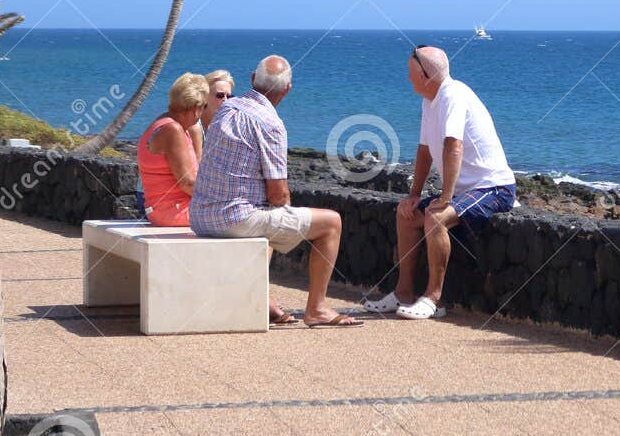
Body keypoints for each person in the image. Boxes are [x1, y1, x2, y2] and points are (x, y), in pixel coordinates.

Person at [191, 55, 359, 328]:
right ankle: (317, 309)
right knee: (331, 222)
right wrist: (285, 208)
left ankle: (260, 297)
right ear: (287, 90)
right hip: (233, 220)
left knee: (269, 221)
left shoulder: (226, 109)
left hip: (200, 216)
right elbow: (278, 195)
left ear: (252, 79)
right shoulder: (270, 123)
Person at [365, 46, 516, 321]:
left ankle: (434, 299)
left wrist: (445, 197)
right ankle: (403, 293)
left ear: (426, 75)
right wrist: (414, 195)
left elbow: (453, 146)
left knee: (436, 217)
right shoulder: (429, 99)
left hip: (493, 187)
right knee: (406, 213)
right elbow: (424, 150)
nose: (407, 77)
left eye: (411, 72)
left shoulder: (453, 95)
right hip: (464, 190)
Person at [134, 73, 207, 227]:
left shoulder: (161, 122)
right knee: (244, 216)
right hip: (174, 211)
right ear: (195, 108)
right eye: (204, 107)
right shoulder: (173, 130)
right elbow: (187, 183)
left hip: (162, 210)